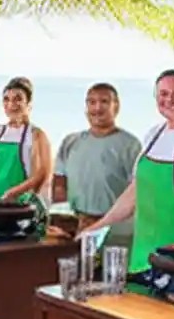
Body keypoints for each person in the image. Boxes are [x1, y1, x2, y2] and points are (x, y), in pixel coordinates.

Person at [82, 69, 174, 272]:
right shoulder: (154, 135)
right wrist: (99, 226)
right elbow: (136, 192)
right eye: (163, 94)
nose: (169, 100)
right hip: (142, 258)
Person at [49, 83, 141, 249]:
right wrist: (65, 223)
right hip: (76, 228)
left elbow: (137, 192)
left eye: (104, 102)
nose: (97, 108)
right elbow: (59, 183)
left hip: (114, 232)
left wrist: (103, 222)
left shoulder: (131, 145)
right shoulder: (71, 142)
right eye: (91, 102)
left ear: (116, 106)